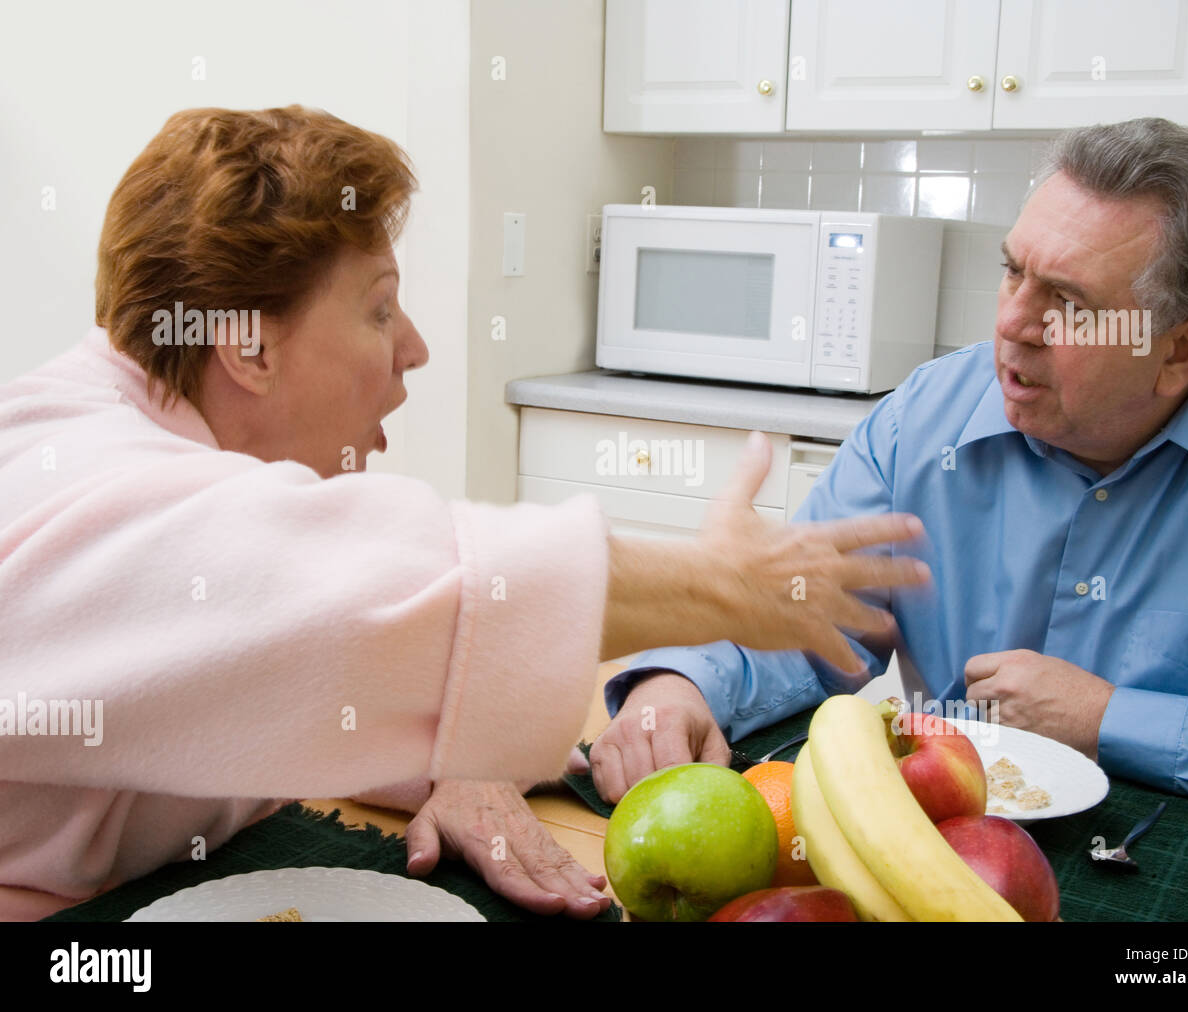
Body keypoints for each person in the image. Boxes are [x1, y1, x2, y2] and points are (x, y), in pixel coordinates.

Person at [0, 105, 931, 920]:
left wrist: (447, 758)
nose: (415, 349)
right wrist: (719, 586)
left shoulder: (125, 429)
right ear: (246, 347)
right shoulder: (91, 493)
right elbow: (345, 579)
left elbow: (244, 666)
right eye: (378, 311)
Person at [586, 116, 1188, 804]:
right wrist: (680, 685)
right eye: (1013, 272)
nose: (1013, 323)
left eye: (1069, 302)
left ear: (1181, 350)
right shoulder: (923, 420)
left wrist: (1108, 717)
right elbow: (808, 620)